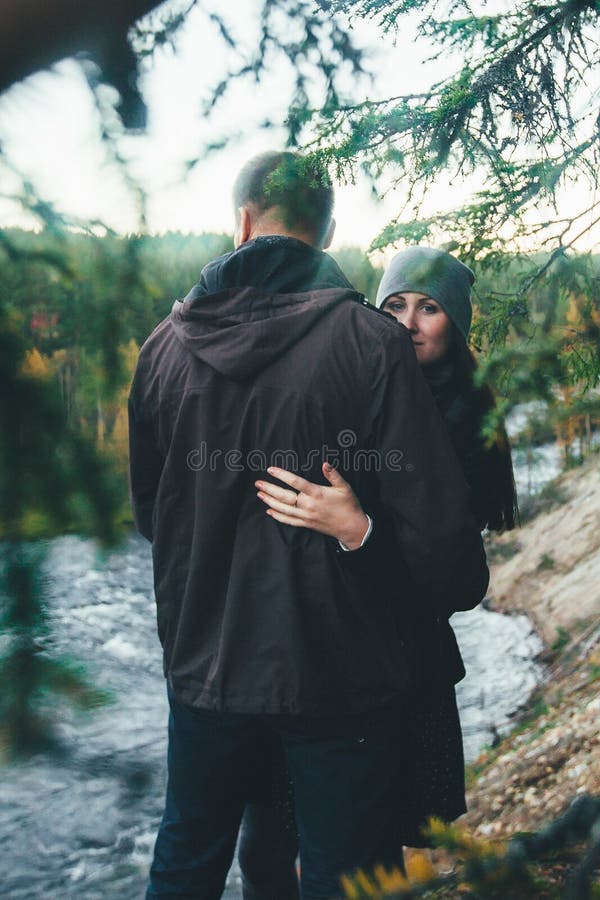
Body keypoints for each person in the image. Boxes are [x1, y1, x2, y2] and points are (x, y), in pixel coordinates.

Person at [128, 155, 489, 900]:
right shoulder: (370, 344)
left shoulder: (161, 350)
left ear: (243, 223)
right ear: (328, 232)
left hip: (205, 671)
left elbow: (148, 518)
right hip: (338, 681)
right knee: (339, 877)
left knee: (188, 861)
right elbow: (446, 554)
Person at [255, 245, 518, 848]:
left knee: (373, 848)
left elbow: (447, 580)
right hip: (332, 655)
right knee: (313, 843)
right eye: (394, 304)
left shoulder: (465, 415)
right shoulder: (359, 390)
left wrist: (358, 530)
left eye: (429, 308)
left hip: (405, 663)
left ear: (457, 322)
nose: (406, 322)